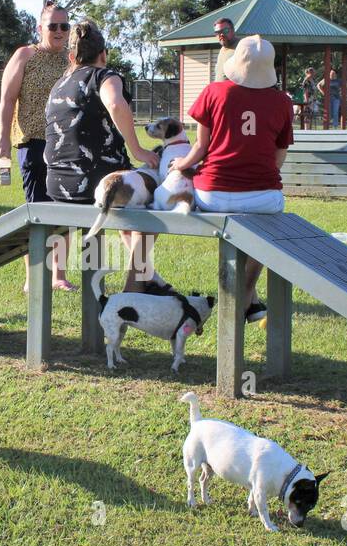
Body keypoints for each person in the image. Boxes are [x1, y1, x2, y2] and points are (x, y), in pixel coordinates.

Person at [173, 35, 293, 323]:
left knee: (239, 230)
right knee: (265, 233)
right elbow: (280, 155)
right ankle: (247, 294)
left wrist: (181, 164)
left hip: (213, 193)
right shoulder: (282, 101)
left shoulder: (214, 92)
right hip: (264, 196)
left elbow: (200, 149)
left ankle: (247, 300)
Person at [43, 20, 160, 292]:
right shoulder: (105, 76)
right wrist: (138, 149)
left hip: (58, 186)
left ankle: (147, 272)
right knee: (155, 203)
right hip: (95, 183)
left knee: (123, 196)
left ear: (71, 57)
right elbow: (116, 104)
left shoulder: (59, 84)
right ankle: (136, 285)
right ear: (103, 54)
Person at [0, 1, 74, 290]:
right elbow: (7, 99)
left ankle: (59, 276)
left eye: (64, 26)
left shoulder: (72, 59)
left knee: (65, 209)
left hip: (65, 144)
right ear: (40, 27)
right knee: (38, 208)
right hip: (32, 142)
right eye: (52, 25)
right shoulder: (25, 55)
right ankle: (33, 279)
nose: (58, 31)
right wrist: (4, 137)